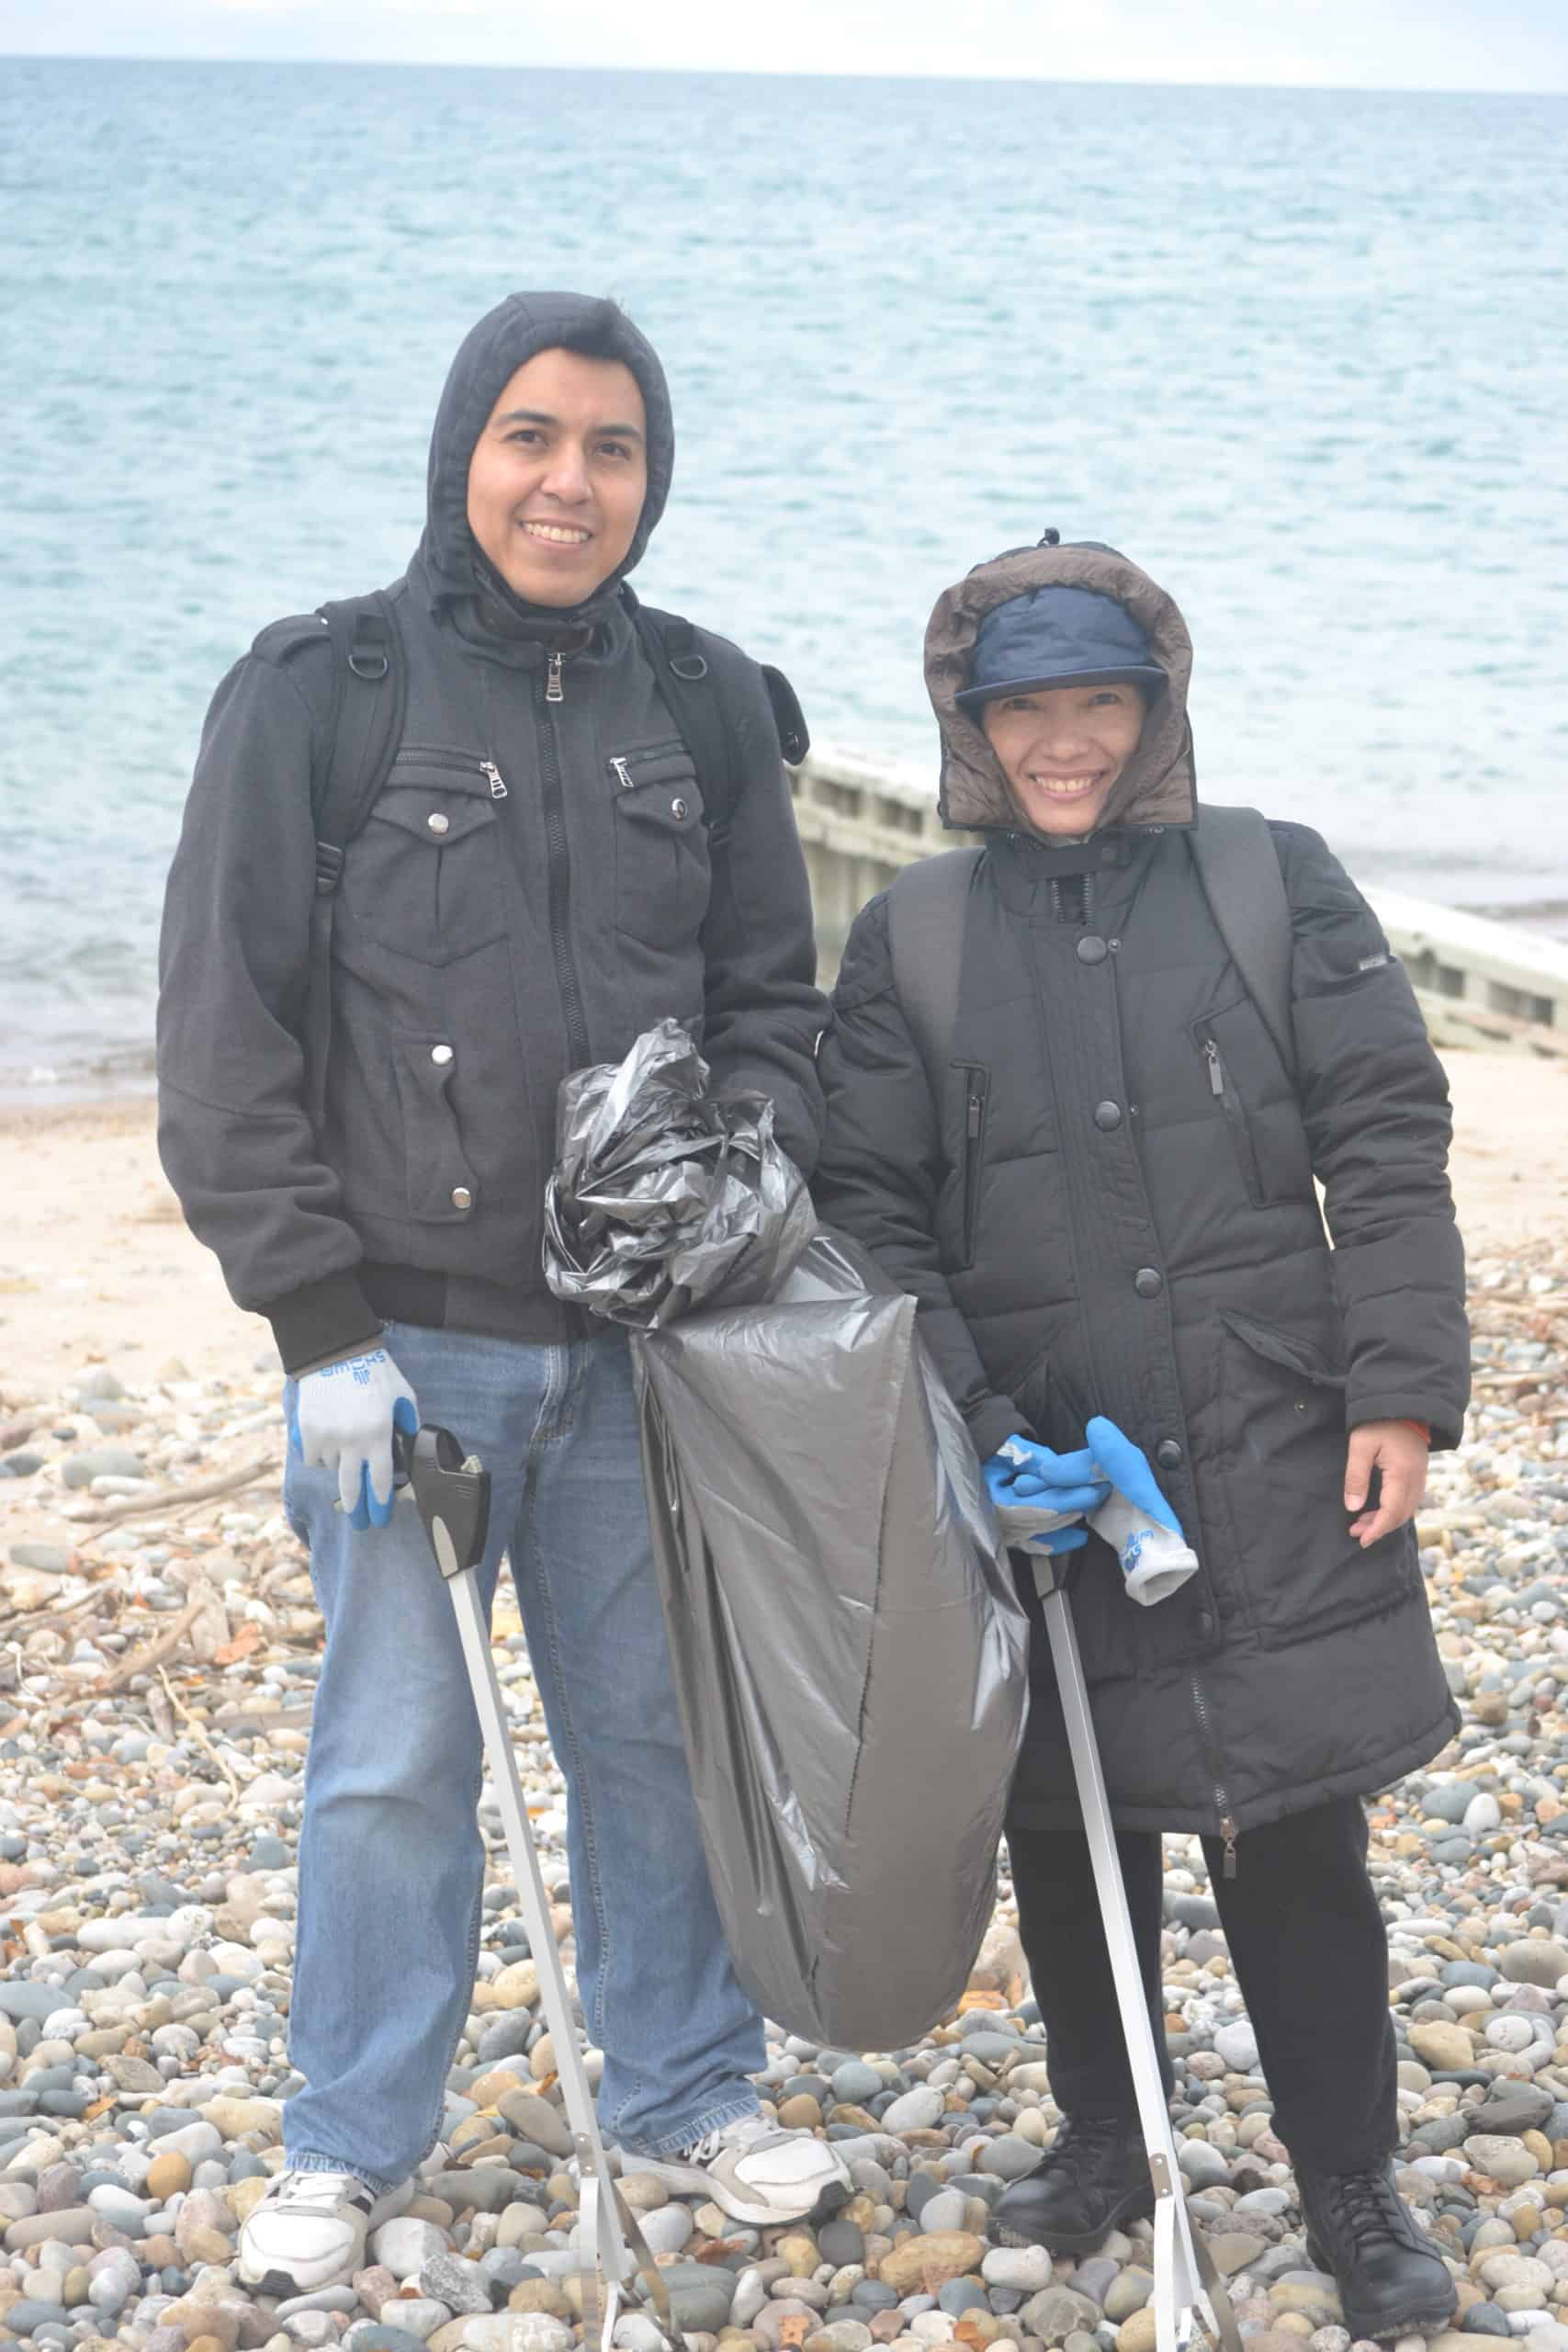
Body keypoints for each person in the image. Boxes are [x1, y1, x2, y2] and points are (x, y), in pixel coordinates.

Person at [157, 290, 848, 2295]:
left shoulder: (707, 703)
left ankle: (686, 2081)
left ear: (653, 477)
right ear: (464, 448)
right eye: (533, 436)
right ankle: (346, 2134)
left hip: (648, 1352)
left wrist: (729, 1208)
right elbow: (224, 1036)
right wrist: (315, 1326)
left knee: (654, 1731)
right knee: (390, 1754)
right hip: (409, 1341)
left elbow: (769, 1008)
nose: (570, 480)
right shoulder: (322, 689)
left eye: (613, 447)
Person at [812, 534, 1470, 2343]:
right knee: (1064, 1812)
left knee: (1292, 1820)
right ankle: (1107, 2132)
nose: (1061, 741)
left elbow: (1384, 1131)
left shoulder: (1270, 878)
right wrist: (967, 1423)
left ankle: (1351, 2175)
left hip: (1266, 1434)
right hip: (1033, 1462)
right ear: (969, 719)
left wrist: (1396, 1388)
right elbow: (861, 1203)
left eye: (1096, 700)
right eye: (1023, 707)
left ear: (1152, 703)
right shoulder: (912, 936)